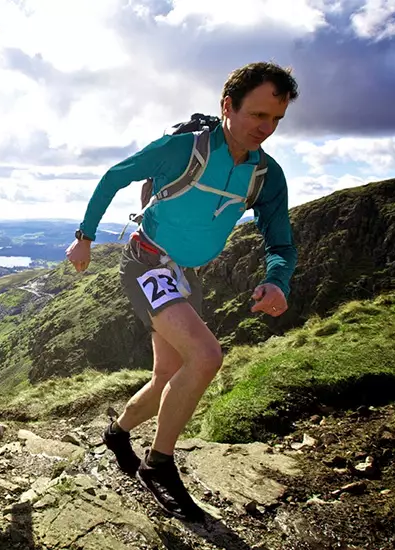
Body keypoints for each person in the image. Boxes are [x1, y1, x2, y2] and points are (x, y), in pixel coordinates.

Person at [65, 61, 299, 521]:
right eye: (257, 115)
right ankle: (159, 464)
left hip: (182, 275)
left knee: (167, 374)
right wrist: (85, 235)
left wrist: (277, 278)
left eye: (276, 120)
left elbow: (280, 240)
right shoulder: (183, 150)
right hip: (145, 262)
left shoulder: (265, 175)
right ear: (227, 106)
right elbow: (116, 175)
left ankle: (117, 432)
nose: (266, 129)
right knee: (207, 357)